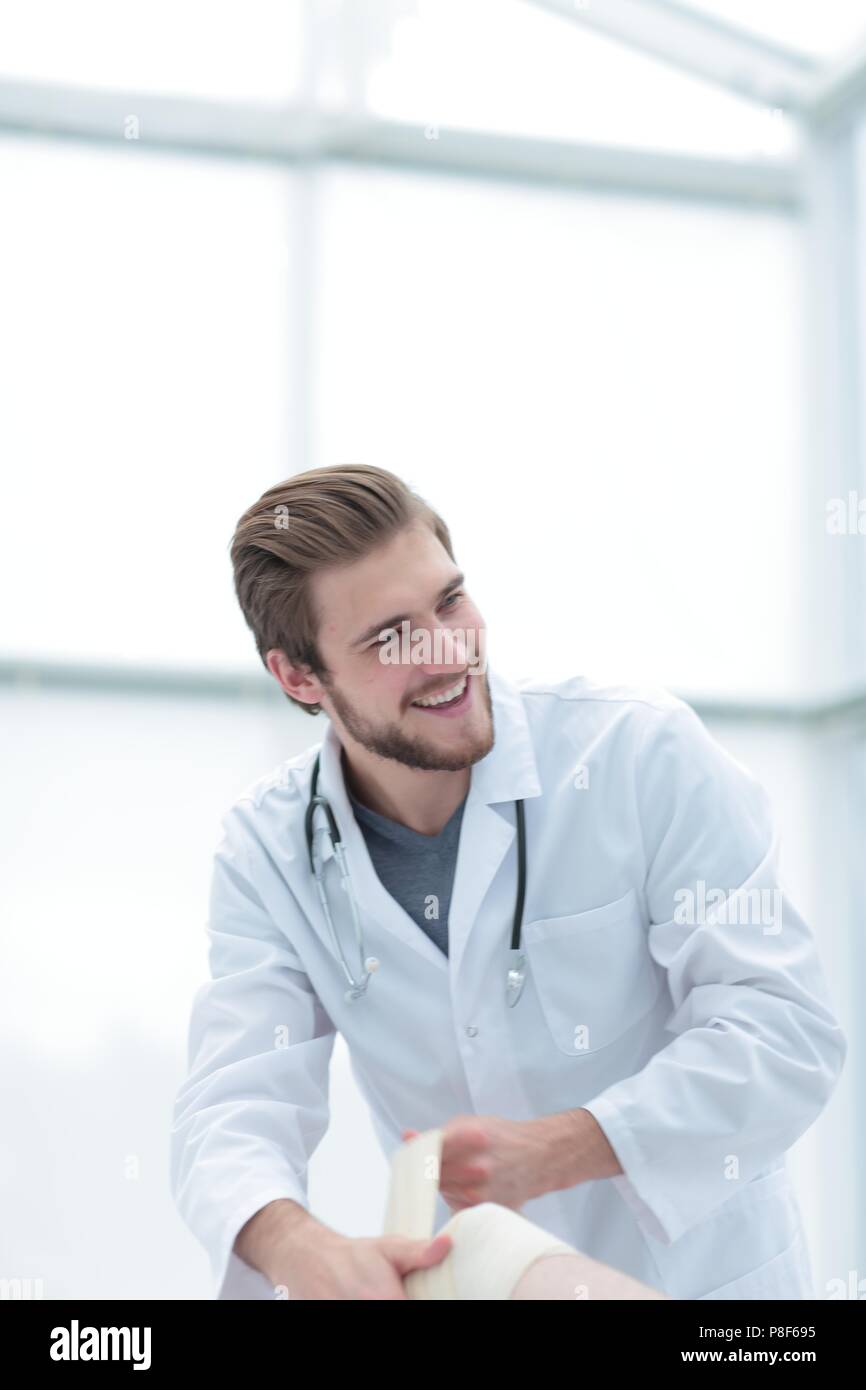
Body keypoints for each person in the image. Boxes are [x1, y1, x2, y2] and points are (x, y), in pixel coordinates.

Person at [170, 465, 846, 1300]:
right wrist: (294, 1242)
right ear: (300, 678)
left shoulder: (639, 754)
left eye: (449, 602)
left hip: (710, 1292)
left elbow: (783, 1030)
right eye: (390, 639)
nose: (448, 653)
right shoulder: (267, 850)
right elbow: (233, 1103)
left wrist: (567, 1144)